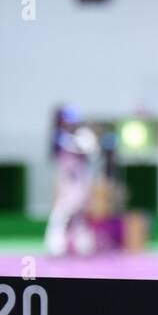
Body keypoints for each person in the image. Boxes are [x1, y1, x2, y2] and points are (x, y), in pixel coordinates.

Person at [44, 105, 100, 256]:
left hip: (80, 183)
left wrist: (87, 141)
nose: (69, 124)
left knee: (79, 215)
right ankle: (55, 246)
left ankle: (83, 245)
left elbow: (91, 153)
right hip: (67, 183)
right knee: (61, 214)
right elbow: (69, 150)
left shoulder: (81, 136)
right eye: (66, 121)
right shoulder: (59, 138)